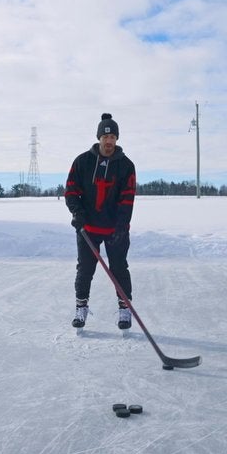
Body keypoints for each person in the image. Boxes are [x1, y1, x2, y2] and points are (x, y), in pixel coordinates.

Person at [65, 112, 136, 330]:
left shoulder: (126, 165)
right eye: (105, 136)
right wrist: (77, 213)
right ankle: (81, 308)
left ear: (117, 139)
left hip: (115, 230)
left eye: (113, 136)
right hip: (89, 228)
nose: (109, 141)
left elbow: (127, 198)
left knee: (119, 268)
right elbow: (70, 191)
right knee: (85, 269)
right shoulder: (82, 162)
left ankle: (125, 310)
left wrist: (122, 227)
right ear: (99, 138)